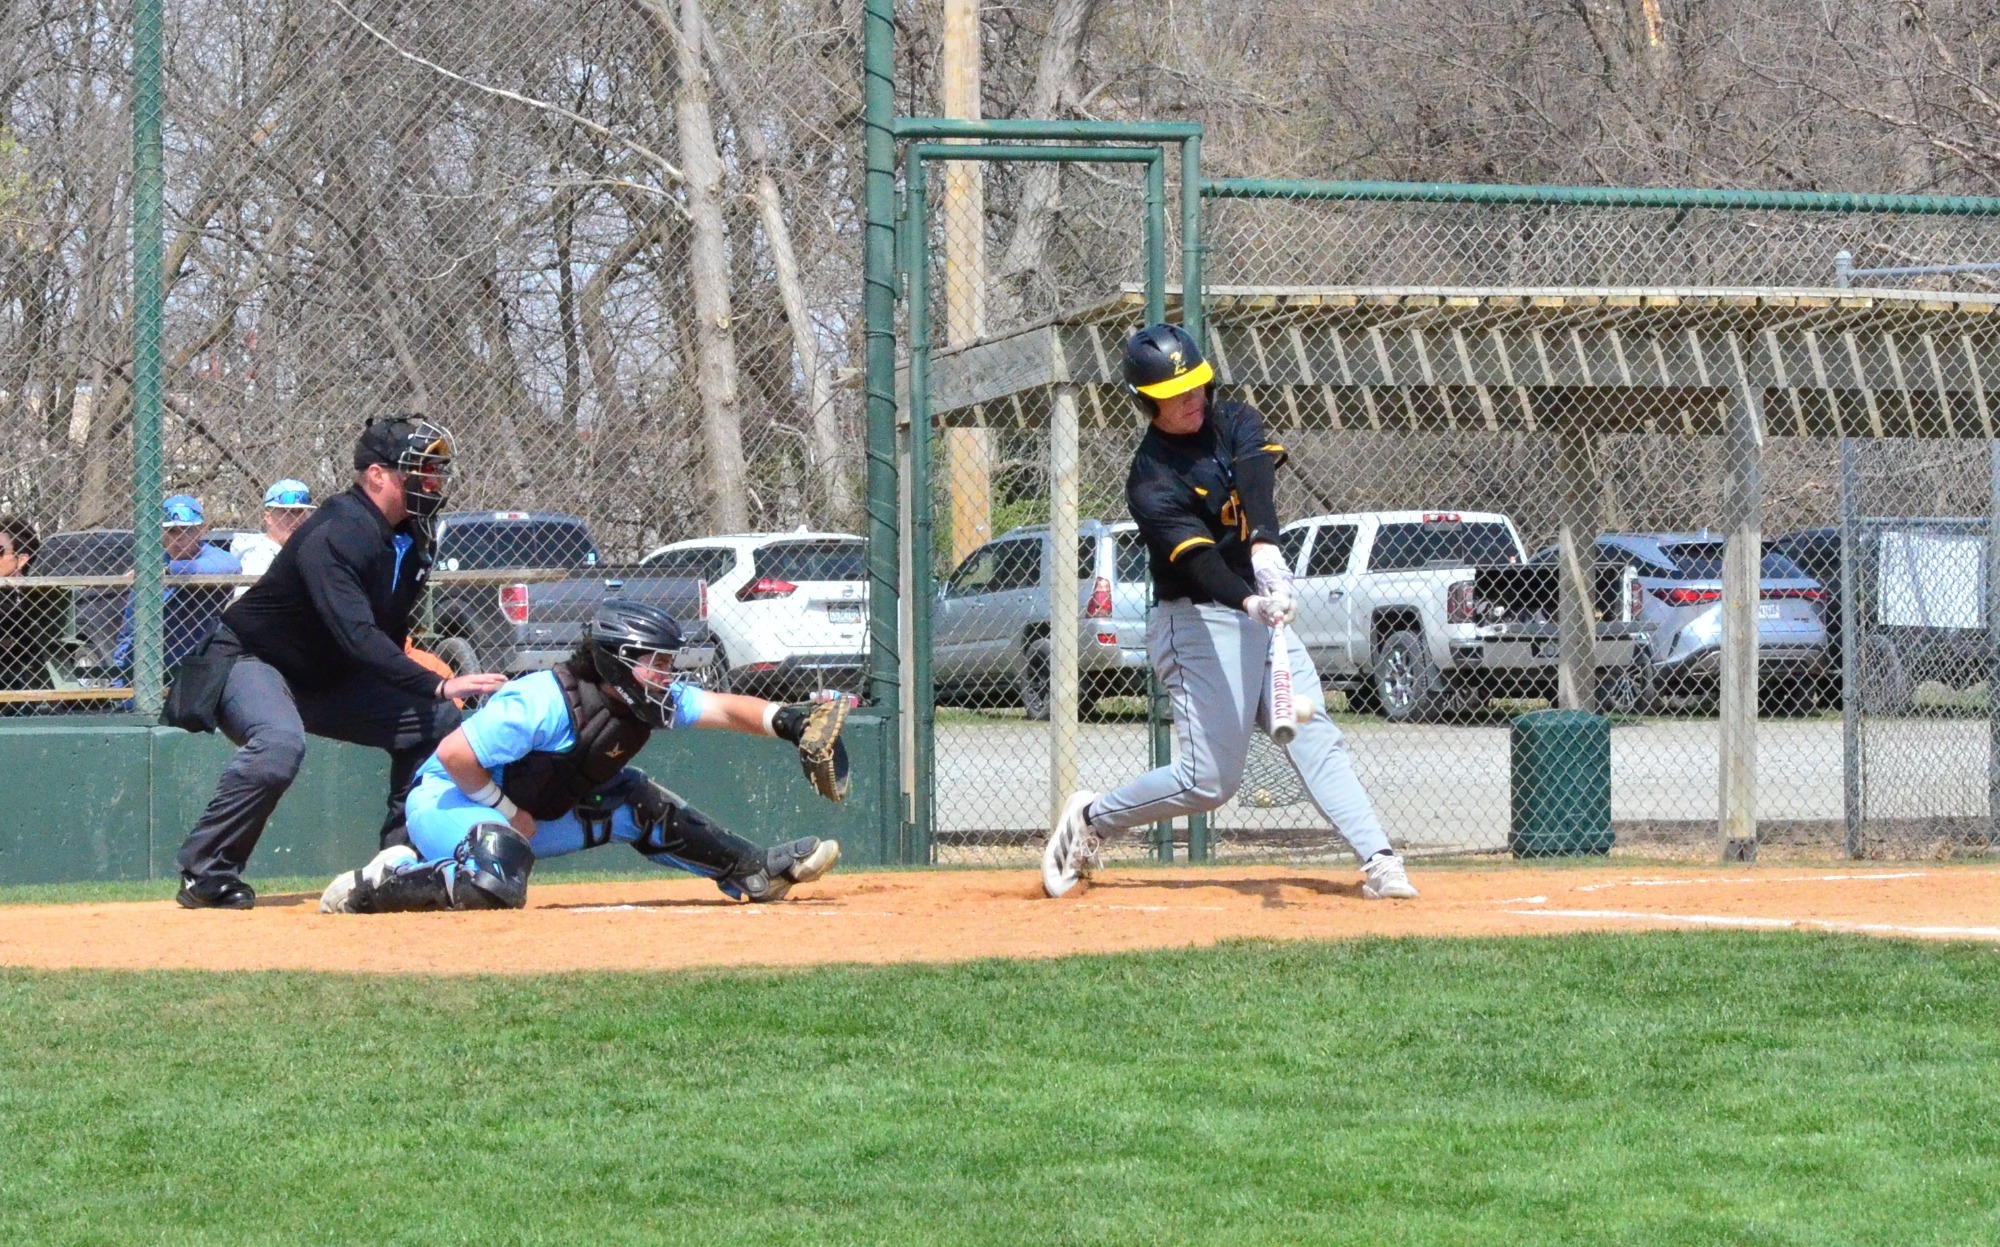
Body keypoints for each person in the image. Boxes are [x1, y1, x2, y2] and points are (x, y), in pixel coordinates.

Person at [1040, 323, 1419, 901]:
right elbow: (1198, 565)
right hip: (1197, 621)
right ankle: (1092, 819)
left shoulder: (1234, 419)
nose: (1192, 401)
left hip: (1260, 611)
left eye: (1196, 387)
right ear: (1148, 404)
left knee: (1312, 734)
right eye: (1175, 395)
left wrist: (1265, 547)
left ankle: (1380, 858)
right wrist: (1249, 599)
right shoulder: (1151, 479)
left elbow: (1255, 474)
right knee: (1210, 782)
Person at [171, 417, 507, 910]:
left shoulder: (411, 537)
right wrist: (435, 683)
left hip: (326, 678)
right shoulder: (337, 531)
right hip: (254, 662)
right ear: (376, 475)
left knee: (435, 724)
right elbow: (358, 635)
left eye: (436, 473)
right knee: (279, 745)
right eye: (419, 472)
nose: (431, 484)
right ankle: (206, 874)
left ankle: (400, 861)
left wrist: (426, 694)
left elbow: (387, 632)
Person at [317, 600, 842, 913]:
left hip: (524, 814)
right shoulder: (543, 700)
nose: (666, 674)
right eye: (654, 664)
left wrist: (790, 722)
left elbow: (726, 710)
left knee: (635, 801)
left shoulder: (644, 701)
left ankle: (752, 871)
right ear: (617, 664)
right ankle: (377, 884)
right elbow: (454, 756)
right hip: (447, 802)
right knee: (495, 875)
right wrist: (505, 812)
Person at [113, 495, 242, 671]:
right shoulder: (151, 568)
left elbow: (231, 566)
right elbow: (128, 634)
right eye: (171, 531)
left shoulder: (212, 558)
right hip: (150, 669)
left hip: (197, 667)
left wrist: (169, 571)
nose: (178, 538)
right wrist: (118, 681)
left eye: (186, 530)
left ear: (201, 530)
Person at [230, 479, 315, 590]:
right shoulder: (257, 558)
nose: (296, 519)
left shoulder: (309, 552)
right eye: (288, 512)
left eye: (300, 512)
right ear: (268, 517)